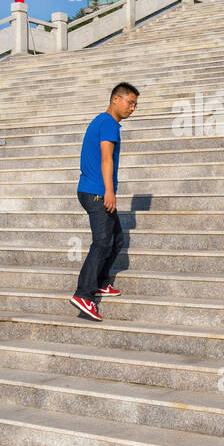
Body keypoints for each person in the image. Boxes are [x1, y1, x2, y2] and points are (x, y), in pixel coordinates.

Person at [70, 82, 139, 321]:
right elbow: (106, 158)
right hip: (97, 192)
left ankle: (100, 283)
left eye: (135, 105)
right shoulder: (109, 123)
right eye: (130, 102)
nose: (132, 108)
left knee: (116, 239)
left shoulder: (100, 120)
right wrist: (109, 191)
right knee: (101, 242)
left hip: (91, 190)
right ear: (115, 99)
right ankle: (84, 294)